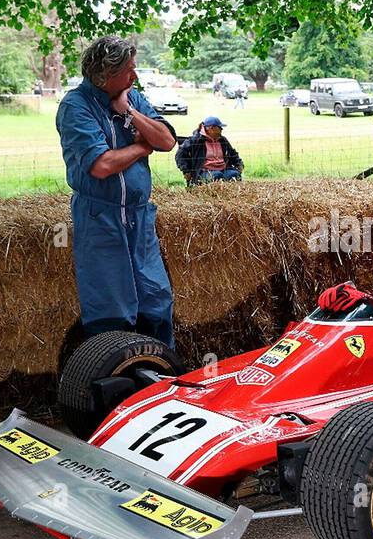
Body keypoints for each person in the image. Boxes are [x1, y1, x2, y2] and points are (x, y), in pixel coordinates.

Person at [56, 36, 178, 343]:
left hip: (139, 216)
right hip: (101, 218)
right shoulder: (75, 106)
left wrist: (130, 113)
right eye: (128, 70)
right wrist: (140, 148)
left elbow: (166, 141)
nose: (134, 76)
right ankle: (119, 381)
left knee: (157, 299)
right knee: (112, 309)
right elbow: (102, 165)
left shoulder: (132, 98)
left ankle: (161, 374)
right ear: (104, 75)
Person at [175, 116, 243, 183]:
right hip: (204, 171)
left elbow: (232, 153)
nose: (221, 129)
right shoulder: (196, 140)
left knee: (234, 174)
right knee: (216, 176)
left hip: (223, 169)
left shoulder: (222, 140)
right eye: (220, 127)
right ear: (211, 128)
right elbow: (180, 154)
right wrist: (186, 170)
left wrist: (239, 163)